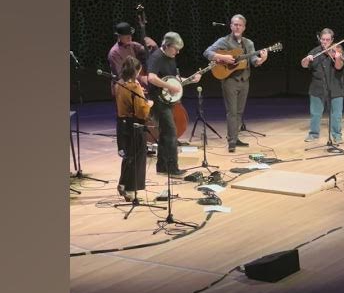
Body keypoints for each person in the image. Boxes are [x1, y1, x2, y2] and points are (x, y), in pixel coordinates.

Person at [204, 14, 268, 152]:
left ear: (244, 27)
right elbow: (207, 52)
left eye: (239, 25)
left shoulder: (248, 43)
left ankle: (235, 136)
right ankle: (231, 141)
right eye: (234, 24)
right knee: (232, 112)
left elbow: (254, 61)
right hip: (230, 80)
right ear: (231, 26)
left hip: (244, 80)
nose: (237, 27)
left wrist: (262, 59)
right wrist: (223, 57)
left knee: (239, 112)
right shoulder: (224, 41)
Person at [145, 32, 200, 177]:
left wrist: (189, 79)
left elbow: (173, 79)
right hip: (158, 100)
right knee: (171, 132)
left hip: (167, 100)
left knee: (165, 134)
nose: (178, 51)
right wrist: (168, 87)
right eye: (175, 48)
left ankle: (162, 167)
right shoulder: (156, 57)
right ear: (167, 46)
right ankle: (172, 167)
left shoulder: (171, 58)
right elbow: (151, 78)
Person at [113, 56, 153, 201]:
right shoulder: (134, 86)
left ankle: (123, 184)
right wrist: (149, 104)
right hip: (134, 125)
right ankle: (130, 190)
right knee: (136, 158)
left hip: (122, 124)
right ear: (136, 71)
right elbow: (141, 111)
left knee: (128, 157)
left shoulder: (119, 84)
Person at [300, 28, 344, 143]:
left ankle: (337, 135)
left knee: (336, 114)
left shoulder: (338, 50)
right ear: (320, 39)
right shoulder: (315, 51)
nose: (325, 42)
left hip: (335, 87)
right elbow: (304, 65)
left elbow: (339, 67)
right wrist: (307, 59)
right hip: (317, 87)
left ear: (332, 40)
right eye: (323, 39)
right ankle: (313, 134)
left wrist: (337, 58)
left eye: (327, 40)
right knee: (315, 113)